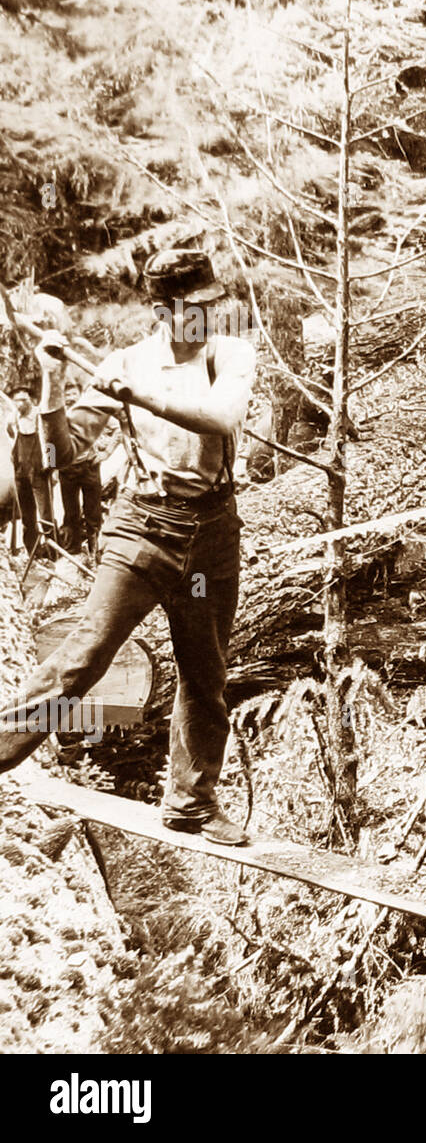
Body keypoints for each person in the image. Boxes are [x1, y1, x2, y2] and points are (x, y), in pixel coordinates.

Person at [0, 249, 257, 845]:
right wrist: (54, 380)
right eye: (194, 308)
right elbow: (65, 454)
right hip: (142, 538)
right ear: (161, 308)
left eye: (212, 304)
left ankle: (191, 803)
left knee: (204, 673)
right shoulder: (123, 362)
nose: (208, 316)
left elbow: (222, 417)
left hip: (208, 542)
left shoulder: (231, 354)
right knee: (83, 659)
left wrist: (138, 395)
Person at [53, 375, 105, 560]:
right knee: (71, 513)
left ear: (80, 394)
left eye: (73, 393)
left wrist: (105, 454)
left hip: (89, 467)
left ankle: (95, 552)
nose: (70, 397)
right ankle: (73, 551)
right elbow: (49, 443)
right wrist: (53, 467)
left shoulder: (89, 412)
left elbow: (115, 427)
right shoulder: (58, 417)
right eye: (67, 394)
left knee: (93, 512)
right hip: (67, 470)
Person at [10, 386, 55, 558]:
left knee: (45, 514)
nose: (20, 403)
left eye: (24, 400)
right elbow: (10, 438)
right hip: (21, 472)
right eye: (17, 400)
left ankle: (52, 552)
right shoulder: (13, 418)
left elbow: (51, 442)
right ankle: (32, 552)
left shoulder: (40, 416)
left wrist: (52, 467)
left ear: (31, 400)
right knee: (27, 516)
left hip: (40, 471)